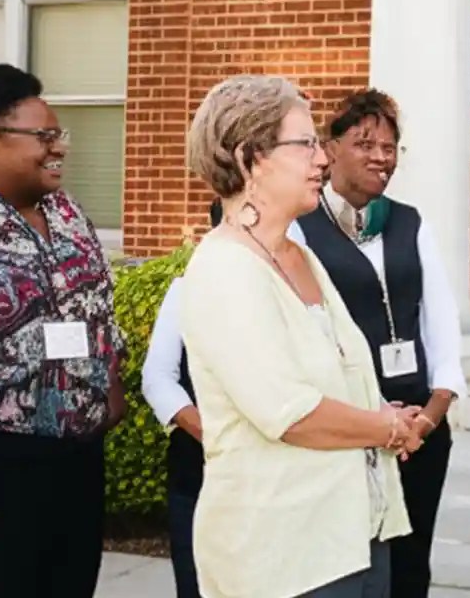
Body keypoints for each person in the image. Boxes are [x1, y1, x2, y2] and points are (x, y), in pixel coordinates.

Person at [179, 75, 417, 598]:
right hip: (283, 554)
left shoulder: (300, 255)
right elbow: (289, 413)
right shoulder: (225, 270)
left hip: (356, 534)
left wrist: (385, 410)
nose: (323, 159)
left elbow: (342, 370)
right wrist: (387, 428)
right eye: (305, 144)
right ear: (250, 159)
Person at [286, 89, 468, 598]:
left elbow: (440, 321)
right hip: (350, 429)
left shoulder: (409, 222)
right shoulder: (301, 229)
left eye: (389, 147)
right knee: (356, 566)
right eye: (364, 144)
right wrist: (374, 424)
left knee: (411, 565)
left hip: (421, 428)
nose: (380, 157)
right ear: (330, 148)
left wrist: (431, 414)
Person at [0, 63, 127, 598]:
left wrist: (111, 382)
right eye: (43, 136)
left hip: (77, 455)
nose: (58, 147)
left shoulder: (67, 213)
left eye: (60, 135)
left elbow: (99, 304)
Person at [141, 198, 223, 598]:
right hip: (198, 474)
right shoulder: (187, 289)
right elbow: (158, 378)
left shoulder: (293, 292)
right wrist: (213, 435)